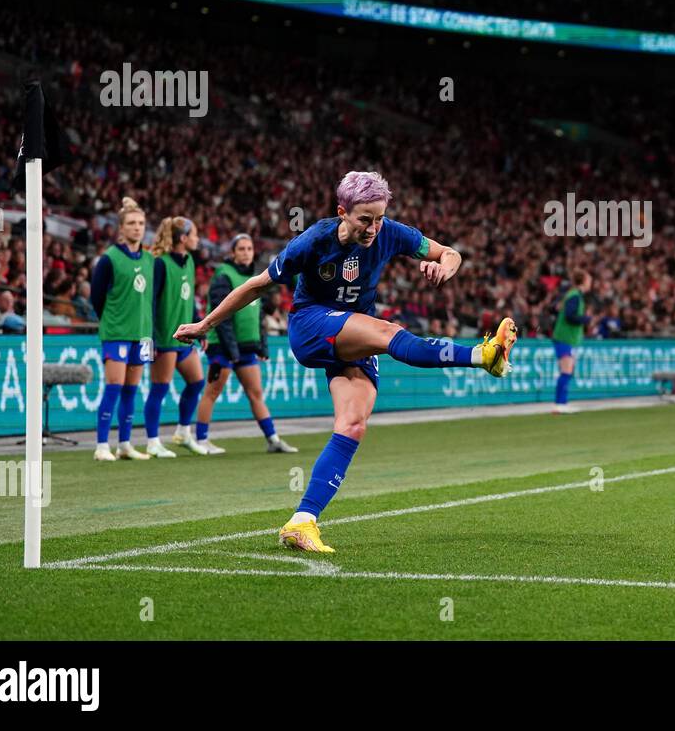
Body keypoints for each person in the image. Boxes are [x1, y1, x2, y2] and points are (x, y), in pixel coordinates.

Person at [173, 171, 517, 553]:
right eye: (364, 219)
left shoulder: (391, 232)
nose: (373, 228)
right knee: (387, 333)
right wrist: (206, 324)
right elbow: (256, 285)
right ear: (342, 212)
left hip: (353, 335)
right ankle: (482, 355)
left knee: (352, 425)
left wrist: (443, 268)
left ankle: (302, 521)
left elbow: (451, 253)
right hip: (312, 324)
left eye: (380, 218)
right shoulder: (313, 241)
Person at [189, 233, 297, 454]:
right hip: (224, 347)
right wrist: (233, 352)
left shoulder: (256, 278)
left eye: (249, 248)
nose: (246, 252)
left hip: (245, 347)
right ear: (233, 253)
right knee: (212, 392)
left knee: (256, 393)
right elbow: (221, 318)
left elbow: (257, 316)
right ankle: (201, 440)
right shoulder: (223, 276)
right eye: (242, 249)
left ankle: (273, 439)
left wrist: (262, 346)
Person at [90, 197, 155, 461]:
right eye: (131, 223)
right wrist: (112, 320)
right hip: (116, 332)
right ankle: (101, 445)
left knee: (132, 389)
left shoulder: (151, 259)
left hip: (143, 333)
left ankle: (125, 444)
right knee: (114, 386)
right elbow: (96, 297)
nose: (137, 227)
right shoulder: (109, 259)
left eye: (140, 223)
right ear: (121, 228)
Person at [138, 215, 205, 458]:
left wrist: (201, 326)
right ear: (184, 238)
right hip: (165, 337)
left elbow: (190, 300)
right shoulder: (160, 263)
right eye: (195, 234)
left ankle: (183, 433)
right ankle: (152, 441)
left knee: (197, 381)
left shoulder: (189, 261)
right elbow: (151, 303)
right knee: (160, 388)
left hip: (185, 337)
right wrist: (151, 337)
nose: (198, 239)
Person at [551, 268, 591, 414]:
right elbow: (569, 316)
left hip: (567, 338)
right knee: (566, 370)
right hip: (564, 337)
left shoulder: (574, 295)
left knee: (567, 370)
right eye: (589, 280)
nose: (590, 283)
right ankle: (559, 404)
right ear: (584, 281)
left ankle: (562, 403)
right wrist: (586, 319)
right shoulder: (574, 296)